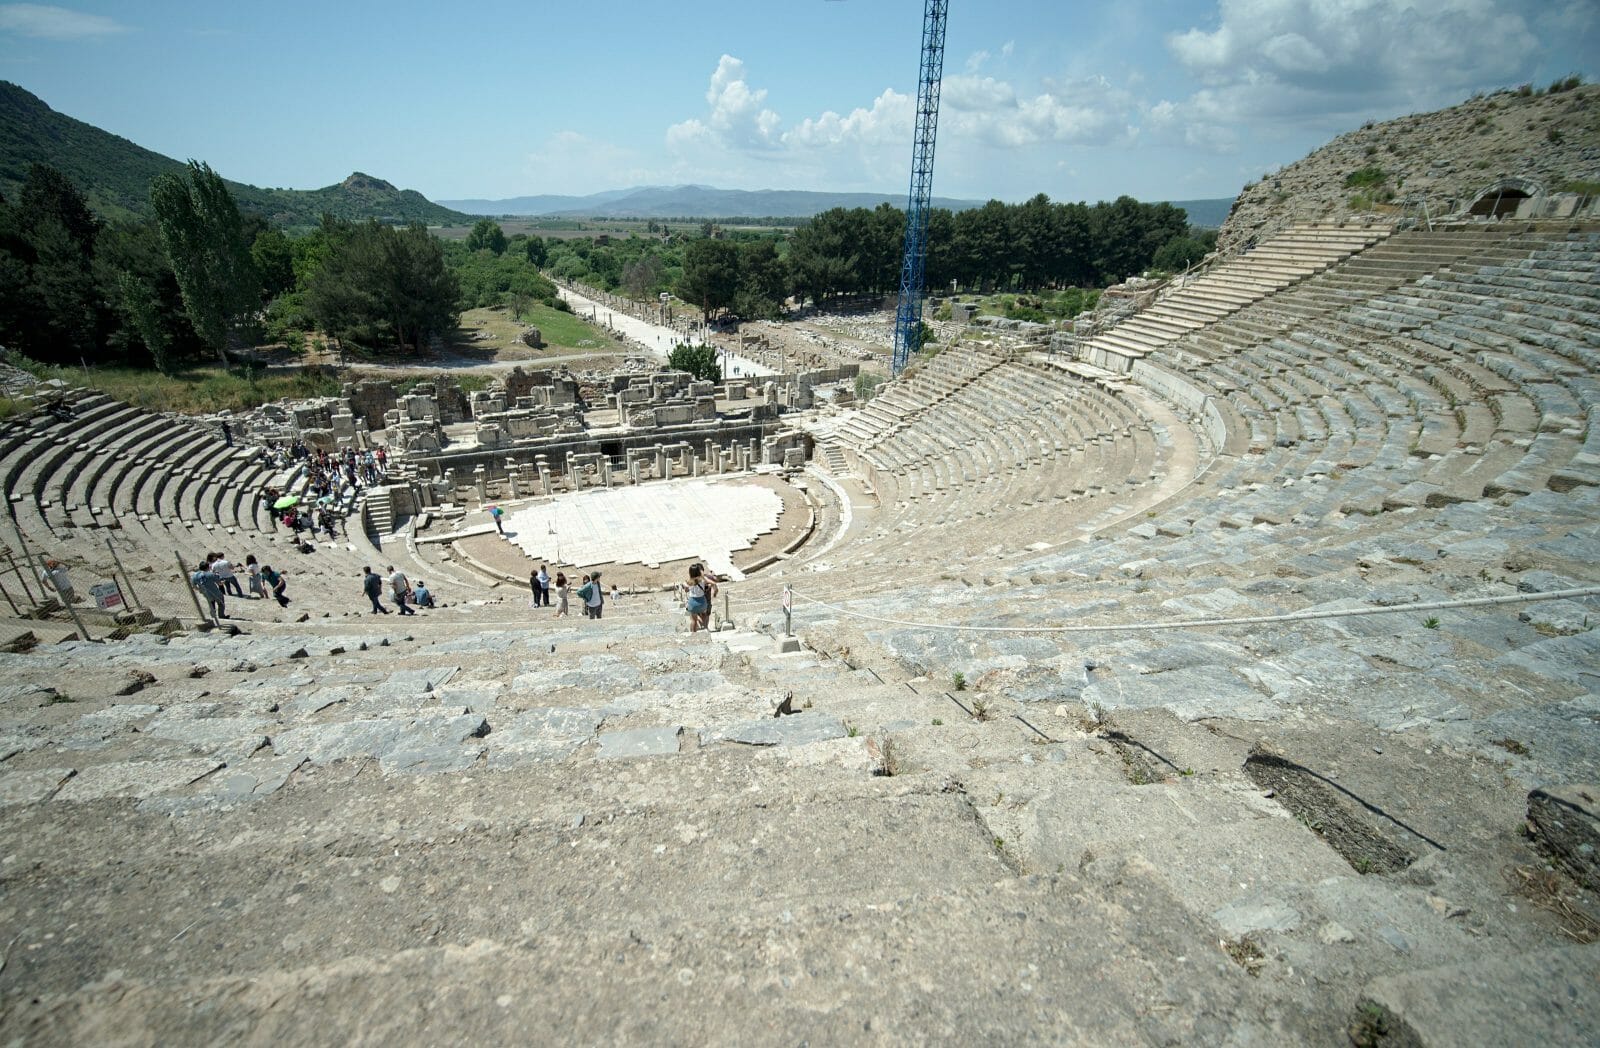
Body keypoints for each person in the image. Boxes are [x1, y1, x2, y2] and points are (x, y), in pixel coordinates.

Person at [686, 563, 712, 633]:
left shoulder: (688, 582)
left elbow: (686, 589)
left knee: (693, 620)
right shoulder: (703, 580)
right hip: (703, 603)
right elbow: (710, 584)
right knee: (704, 614)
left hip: (693, 604)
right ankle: (705, 628)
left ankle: (693, 634)